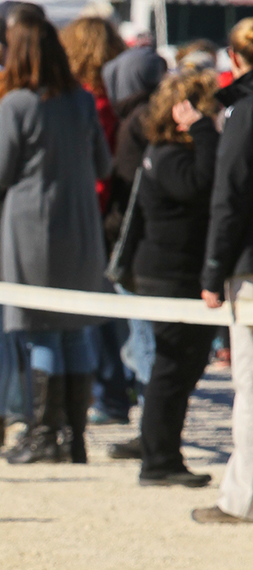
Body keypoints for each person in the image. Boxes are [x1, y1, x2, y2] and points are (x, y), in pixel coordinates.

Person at [0, 14, 111, 465]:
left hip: (32, 224)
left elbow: (0, 172)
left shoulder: (17, 104)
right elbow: (103, 164)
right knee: (74, 330)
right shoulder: (83, 99)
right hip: (80, 222)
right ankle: (74, 439)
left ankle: (43, 436)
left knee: (42, 331)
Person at [126, 70, 221, 487]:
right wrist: (203, 131)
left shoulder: (163, 152)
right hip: (170, 275)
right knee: (172, 368)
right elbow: (202, 184)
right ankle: (159, 460)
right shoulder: (169, 155)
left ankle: (163, 454)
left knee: (181, 367)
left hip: (170, 272)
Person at [196, 17, 253, 524]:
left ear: (235, 58)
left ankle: (243, 498)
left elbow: (230, 197)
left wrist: (213, 272)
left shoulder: (243, 110)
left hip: (250, 269)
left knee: (251, 389)